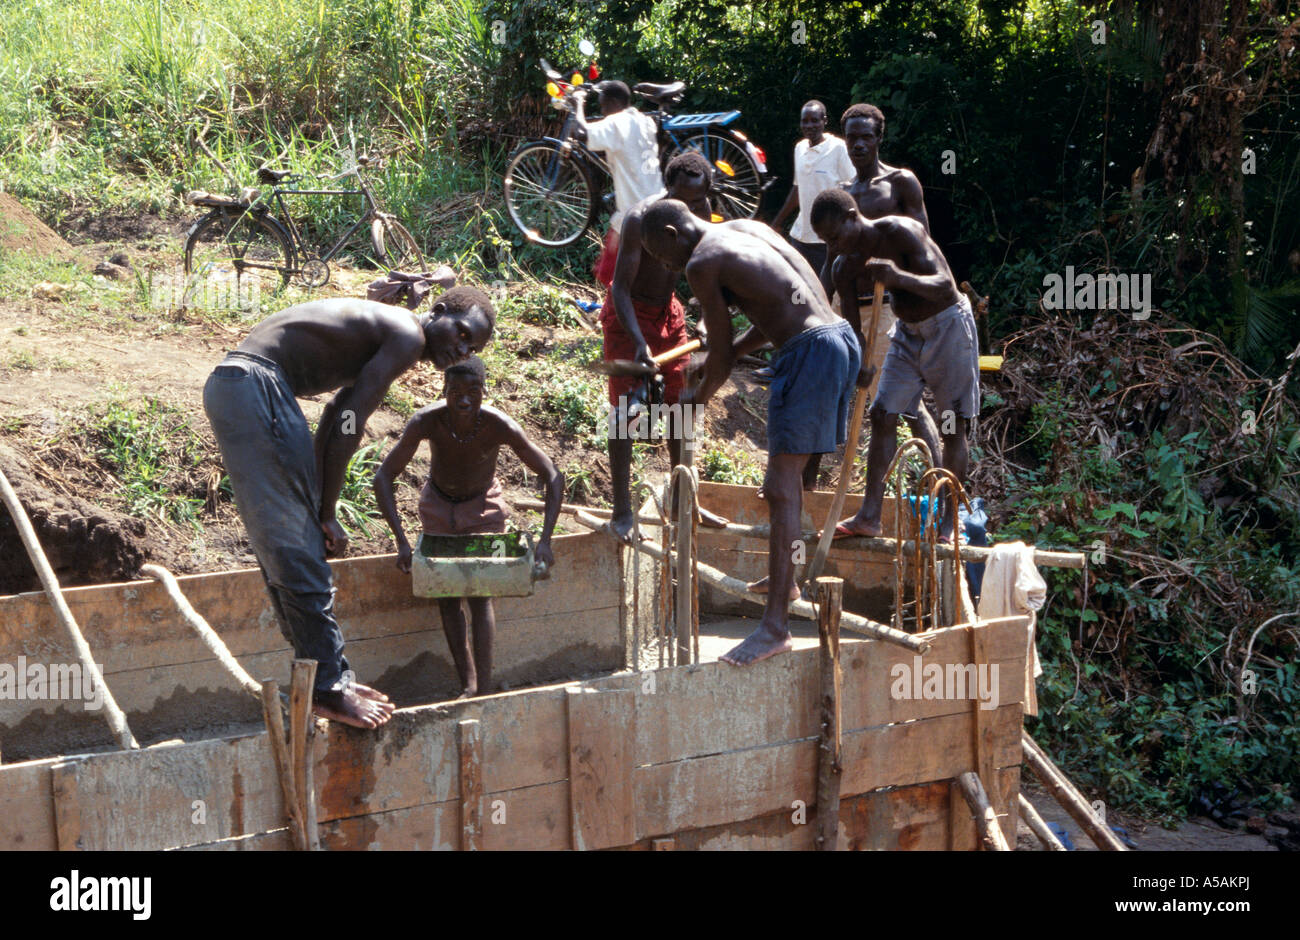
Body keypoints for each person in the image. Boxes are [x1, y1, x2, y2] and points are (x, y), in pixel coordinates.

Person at [202, 288, 494, 728]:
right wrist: (326, 511)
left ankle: (320, 678)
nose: (462, 350)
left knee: (284, 547)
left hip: (234, 386)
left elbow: (338, 414)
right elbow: (349, 426)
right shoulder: (408, 334)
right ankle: (330, 686)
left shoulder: (390, 330)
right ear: (437, 313)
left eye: (472, 348)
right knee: (299, 546)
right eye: (464, 333)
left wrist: (322, 507)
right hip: (257, 385)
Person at [641, 199, 860, 667]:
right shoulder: (746, 228)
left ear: (671, 233)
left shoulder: (702, 260)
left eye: (660, 256)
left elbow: (719, 359)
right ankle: (791, 581)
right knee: (789, 485)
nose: (666, 267)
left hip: (809, 353)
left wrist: (692, 402)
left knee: (781, 488)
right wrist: (722, 358)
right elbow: (775, 313)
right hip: (839, 339)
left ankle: (774, 628)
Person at [372, 356, 563, 698]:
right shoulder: (426, 422)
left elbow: (552, 476)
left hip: (483, 510)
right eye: (455, 391)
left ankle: (485, 689)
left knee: (479, 590)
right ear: (443, 392)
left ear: (483, 393)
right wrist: (401, 541)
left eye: (472, 391)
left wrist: (546, 541)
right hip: (438, 508)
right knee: (446, 594)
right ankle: (468, 683)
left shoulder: (499, 426)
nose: (463, 400)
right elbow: (384, 476)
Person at [811, 188, 978, 543]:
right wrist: (860, 363)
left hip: (947, 324)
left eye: (837, 236)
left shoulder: (900, 231)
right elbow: (855, 329)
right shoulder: (844, 267)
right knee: (883, 413)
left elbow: (945, 287)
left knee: (952, 425)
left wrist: (896, 276)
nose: (834, 247)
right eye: (827, 241)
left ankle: (951, 522)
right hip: (905, 334)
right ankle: (870, 516)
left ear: (853, 217)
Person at [603, 151, 727, 541]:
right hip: (629, 318)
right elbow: (620, 287)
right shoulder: (641, 219)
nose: (690, 208)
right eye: (683, 199)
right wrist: (639, 343)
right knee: (628, 411)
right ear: (668, 188)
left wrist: (706, 316)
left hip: (669, 315)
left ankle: (681, 497)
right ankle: (621, 511)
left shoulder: (703, 208)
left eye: (697, 201)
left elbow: (709, 267)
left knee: (681, 405)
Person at [825, 102, 942, 464]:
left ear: (878, 138)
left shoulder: (900, 183)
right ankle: (823, 483)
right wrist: (814, 301)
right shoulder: (842, 194)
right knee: (836, 390)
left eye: (865, 137)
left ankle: (943, 482)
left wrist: (914, 293)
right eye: (851, 138)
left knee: (902, 401)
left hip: (888, 305)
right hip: (845, 306)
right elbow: (832, 258)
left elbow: (923, 244)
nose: (857, 145)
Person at [573, 79, 665, 287]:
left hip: (632, 216)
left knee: (609, 274)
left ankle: (617, 315)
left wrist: (578, 103)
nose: (603, 110)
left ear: (613, 102)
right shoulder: (644, 120)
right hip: (659, 207)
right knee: (647, 275)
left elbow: (580, 133)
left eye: (603, 104)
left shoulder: (616, 123)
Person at [768, 100, 855, 275]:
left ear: (824, 121)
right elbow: (797, 189)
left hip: (827, 239)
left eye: (815, 120)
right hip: (800, 236)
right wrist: (777, 223)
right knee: (799, 289)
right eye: (805, 121)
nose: (809, 125)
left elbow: (853, 188)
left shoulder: (838, 148)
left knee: (825, 291)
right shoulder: (799, 148)